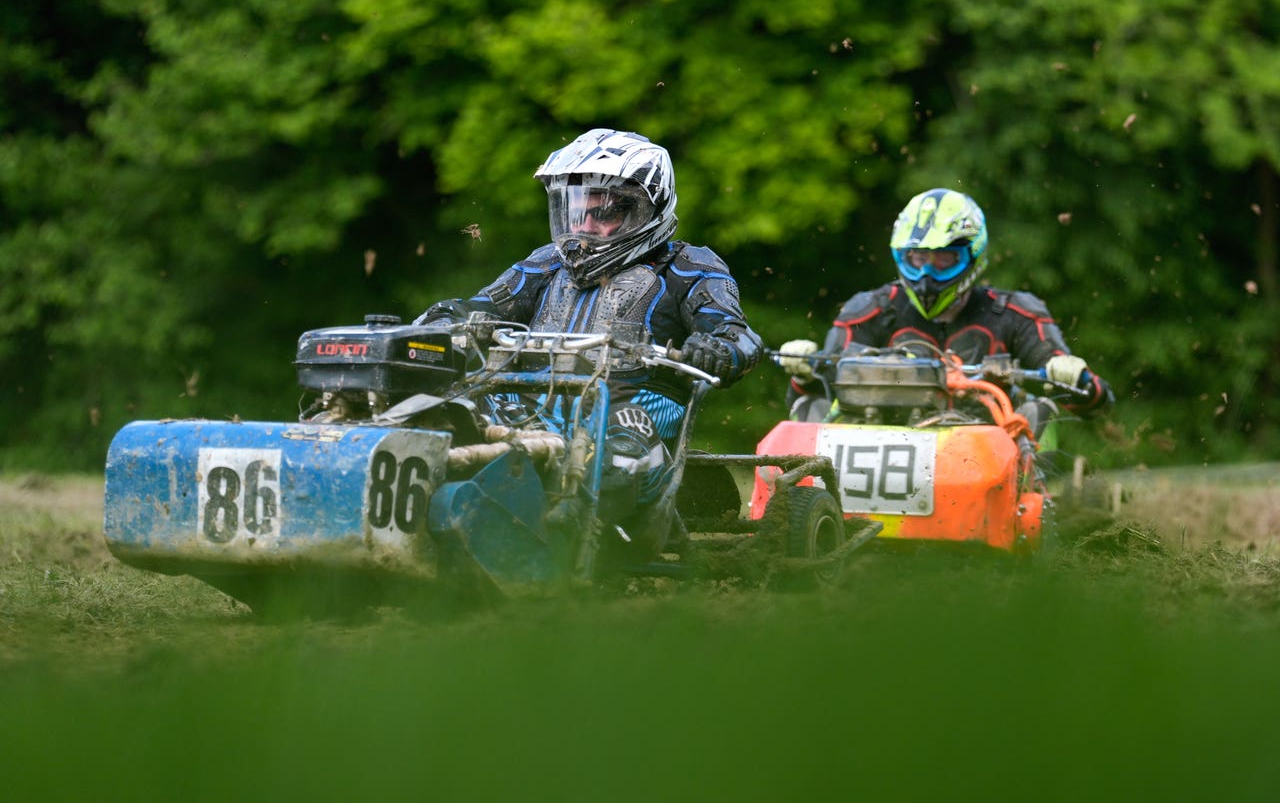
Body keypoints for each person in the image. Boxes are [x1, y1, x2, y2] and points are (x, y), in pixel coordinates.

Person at [414, 128, 761, 559]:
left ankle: (584, 548)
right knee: (447, 422)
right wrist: (449, 319)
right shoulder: (544, 264)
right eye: (576, 213)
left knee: (608, 464)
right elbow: (482, 308)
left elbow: (738, 336)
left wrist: (717, 349)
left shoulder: (690, 267)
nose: (585, 227)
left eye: (605, 213)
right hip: (533, 402)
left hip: (632, 408)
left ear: (648, 208)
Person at [778, 187, 1114, 433]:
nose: (927, 275)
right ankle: (809, 494)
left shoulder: (1016, 313)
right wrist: (804, 372)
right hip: (883, 437)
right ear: (902, 258)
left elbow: (1097, 401)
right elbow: (824, 390)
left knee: (1038, 409)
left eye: (943, 260)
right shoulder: (869, 309)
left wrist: (1075, 377)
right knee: (810, 409)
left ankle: (1032, 506)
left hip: (986, 448)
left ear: (972, 256)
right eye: (919, 259)